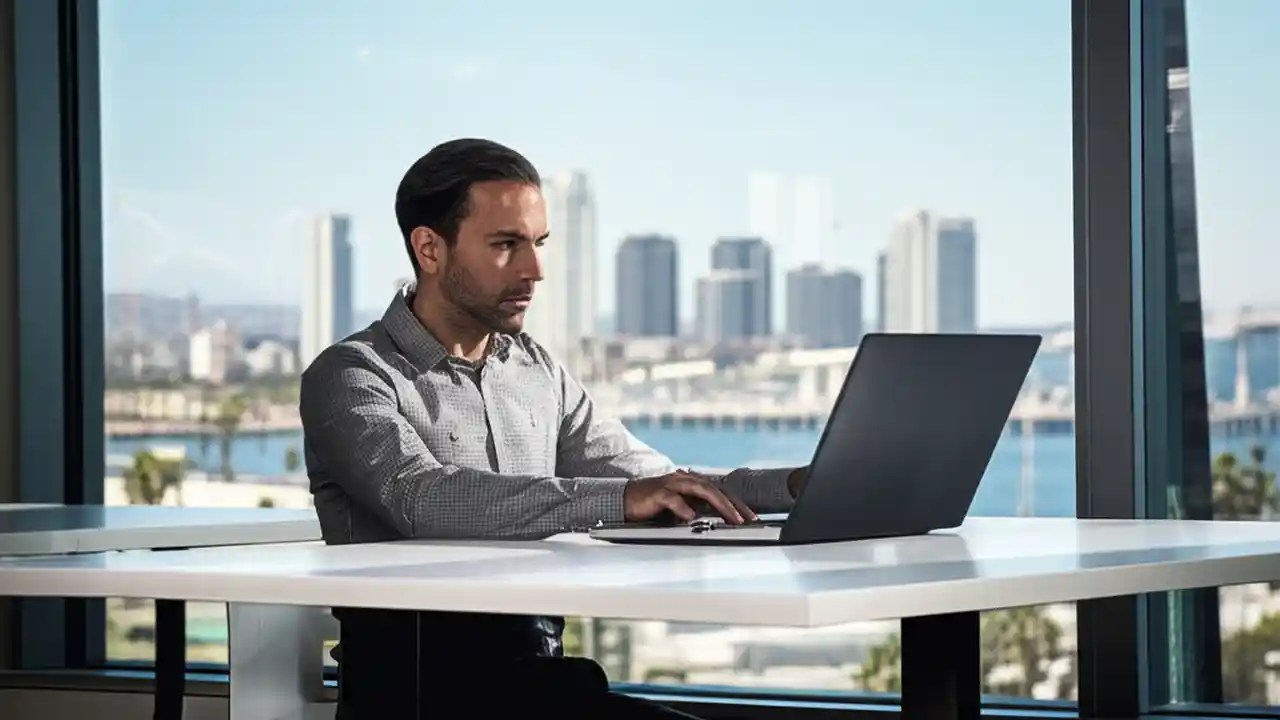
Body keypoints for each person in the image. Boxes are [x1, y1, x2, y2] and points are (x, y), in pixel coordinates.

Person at [299, 137, 807, 719]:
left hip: (538, 690)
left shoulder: (537, 370)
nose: (535, 269)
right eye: (506, 245)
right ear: (429, 248)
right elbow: (421, 497)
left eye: (538, 243)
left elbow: (661, 482)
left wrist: (796, 487)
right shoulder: (353, 376)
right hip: (414, 700)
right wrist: (621, 499)